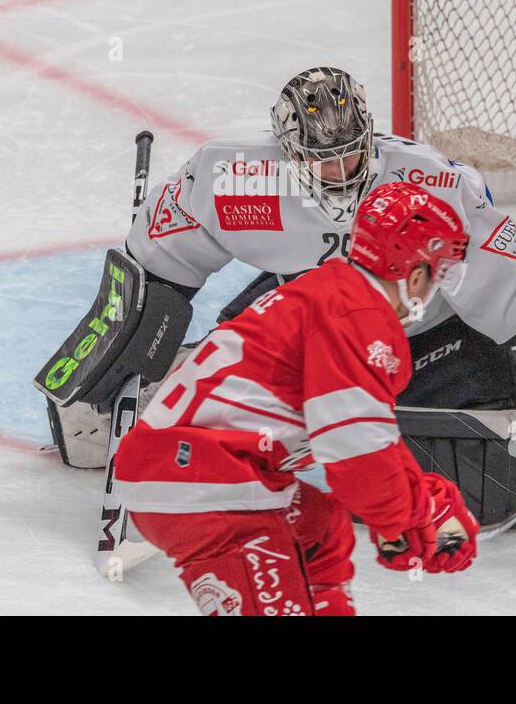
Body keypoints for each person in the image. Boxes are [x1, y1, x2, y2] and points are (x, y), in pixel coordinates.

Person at [49, 67, 516, 530]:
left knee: (454, 482)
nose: (342, 174)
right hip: (314, 318)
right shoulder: (235, 179)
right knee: (241, 419)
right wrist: (122, 342)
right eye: (325, 162)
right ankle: (169, 405)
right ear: (289, 153)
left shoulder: (432, 182)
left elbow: (514, 291)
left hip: (440, 341)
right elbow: (152, 269)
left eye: (352, 155)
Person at [114, 182, 479, 615]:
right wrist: (408, 517)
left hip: (194, 469)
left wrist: (421, 501)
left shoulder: (333, 293)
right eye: (439, 272)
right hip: (208, 487)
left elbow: (371, 440)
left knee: (319, 530)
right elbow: (353, 449)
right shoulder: (358, 318)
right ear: (416, 275)